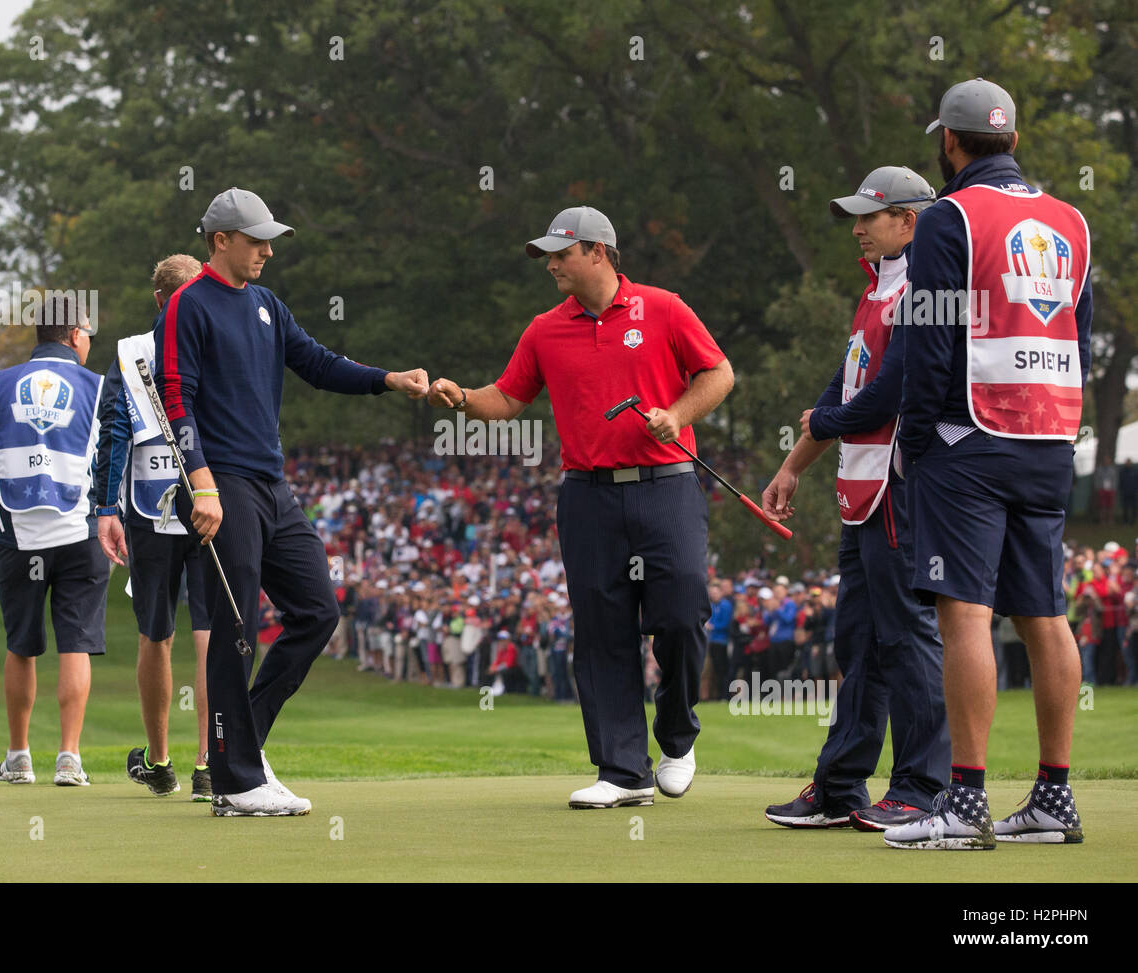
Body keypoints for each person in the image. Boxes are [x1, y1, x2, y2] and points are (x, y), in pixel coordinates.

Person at [427, 205, 733, 808]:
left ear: (598, 251)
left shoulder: (663, 307)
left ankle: (676, 734)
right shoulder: (545, 328)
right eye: (548, 255)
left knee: (680, 613)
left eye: (560, 254)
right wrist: (461, 397)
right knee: (600, 631)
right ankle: (622, 772)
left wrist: (677, 416)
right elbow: (508, 398)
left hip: (667, 482)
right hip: (587, 494)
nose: (551, 265)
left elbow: (718, 374)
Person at [158, 186, 429, 816]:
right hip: (222, 484)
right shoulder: (187, 306)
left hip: (272, 487)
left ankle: (239, 748)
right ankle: (234, 781)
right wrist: (200, 482)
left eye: (269, 241)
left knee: (317, 611)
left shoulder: (266, 306)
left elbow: (316, 362)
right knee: (237, 630)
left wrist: (386, 380)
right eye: (256, 241)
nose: (267, 252)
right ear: (220, 241)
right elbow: (176, 397)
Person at [887, 78, 1092, 849]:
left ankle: (965, 801)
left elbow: (930, 340)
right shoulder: (1071, 220)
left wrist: (912, 441)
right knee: (1045, 614)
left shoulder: (949, 216)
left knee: (965, 611)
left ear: (951, 141)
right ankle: (1053, 795)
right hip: (1049, 437)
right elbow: (1081, 328)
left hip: (968, 437)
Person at [761, 165, 950, 832]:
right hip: (860, 490)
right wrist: (794, 464)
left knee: (907, 638)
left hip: (901, 487)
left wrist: (826, 423)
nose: (859, 228)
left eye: (872, 216)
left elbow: (891, 391)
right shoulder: (876, 290)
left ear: (911, 220)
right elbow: (837, 390)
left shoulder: (926, 288)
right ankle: (842, 784)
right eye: (857, 216)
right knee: (859, 642)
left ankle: (925, 787)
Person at [0, 293, 107, 787]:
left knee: (21, 646)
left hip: (18, 536)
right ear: (72, 335)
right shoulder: (98, 386)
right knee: (76, 644)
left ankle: (19, 756)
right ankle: (69, 758)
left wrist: (2, 513)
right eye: (87, 332)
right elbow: (108, 461)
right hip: (79, 531)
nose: (89, 340)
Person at [92, 253, 214, 801]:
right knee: (209, 633)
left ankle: (160, 761)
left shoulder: (131, 353)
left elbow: (115, 431)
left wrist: (105, 509)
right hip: (212, 497)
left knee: (156, 632)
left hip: (149, 506)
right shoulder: (217, 342)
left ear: (158, 300)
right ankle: (209, 762)